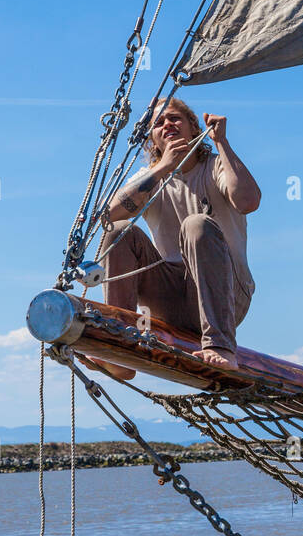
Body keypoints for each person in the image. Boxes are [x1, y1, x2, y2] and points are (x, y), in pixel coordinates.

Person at [83, 98, 260, 380]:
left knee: (196, 225)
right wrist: (162, 168)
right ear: (152, 138)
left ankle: (221, 346)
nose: (167, 125)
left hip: (226, 295)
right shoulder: (151, 177)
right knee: (118, 230)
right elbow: (106, 218)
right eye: (158, 123)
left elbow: (248, 201)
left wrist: (222, 143)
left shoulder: (216, 167)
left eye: (175, 118)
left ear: (193, 126)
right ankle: (120, 343)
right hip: (171, 299)